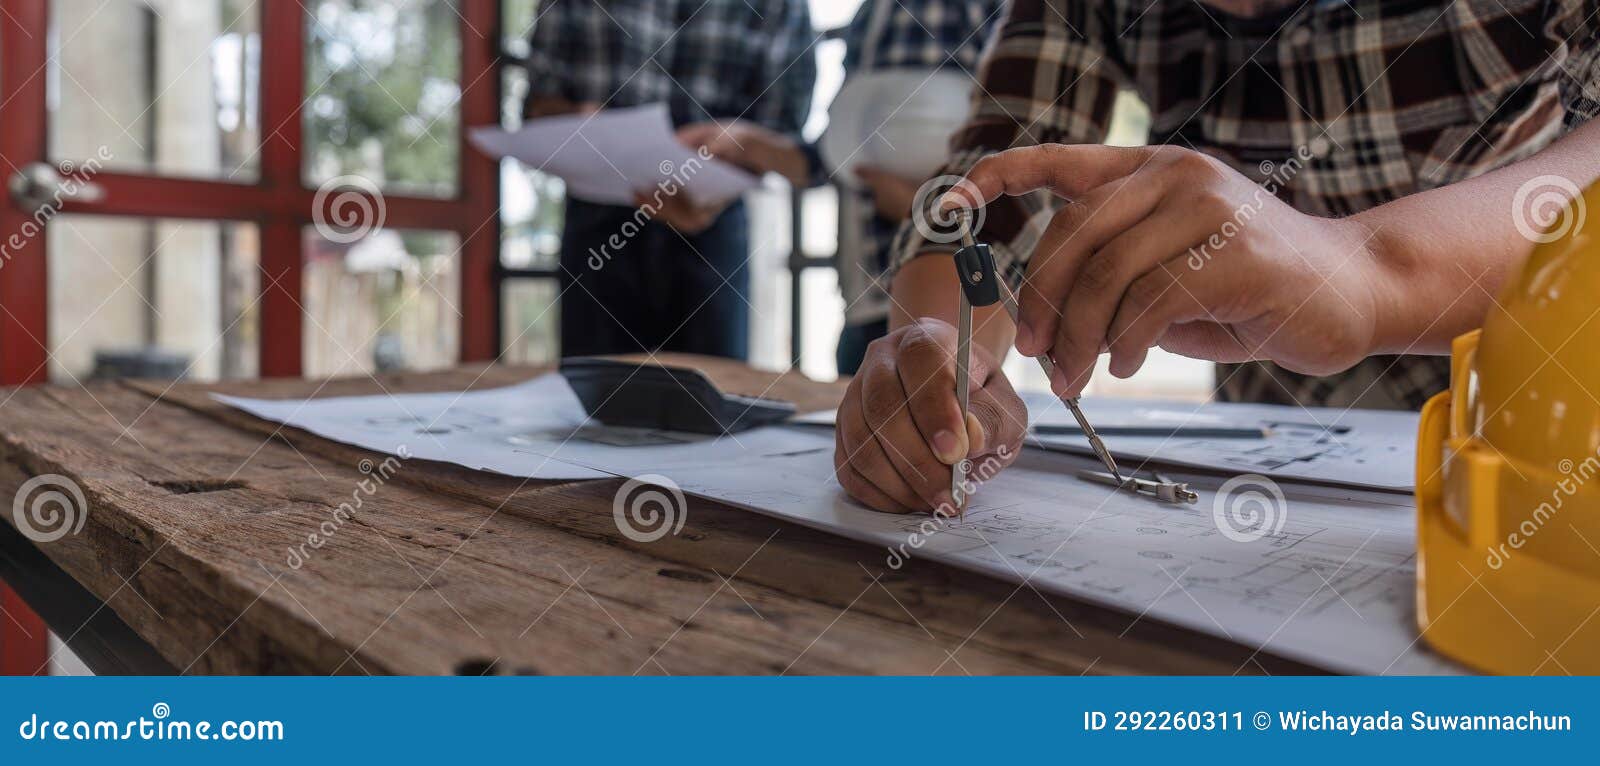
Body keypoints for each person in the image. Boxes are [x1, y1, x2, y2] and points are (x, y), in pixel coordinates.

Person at [832, 0, 1600, 514]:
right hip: (1271, 458)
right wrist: (933, 369)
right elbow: (994, 189)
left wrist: (1366, 272)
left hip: (1544, 429)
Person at [676, 0, 1006, 374]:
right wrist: (747, 143)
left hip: (955, 303)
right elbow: (840, 157)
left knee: (952, 417)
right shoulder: (872, 14)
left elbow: (1024, 158)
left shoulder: (984, 10)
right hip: (864, 300)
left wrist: (928, 208)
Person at [524, 0, 816, 360]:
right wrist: (574, 119)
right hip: (597, 222)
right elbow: (539, 98)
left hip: (713, 220)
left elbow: (784, 127)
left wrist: (740, 151)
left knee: (709, 396)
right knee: (595, 396)